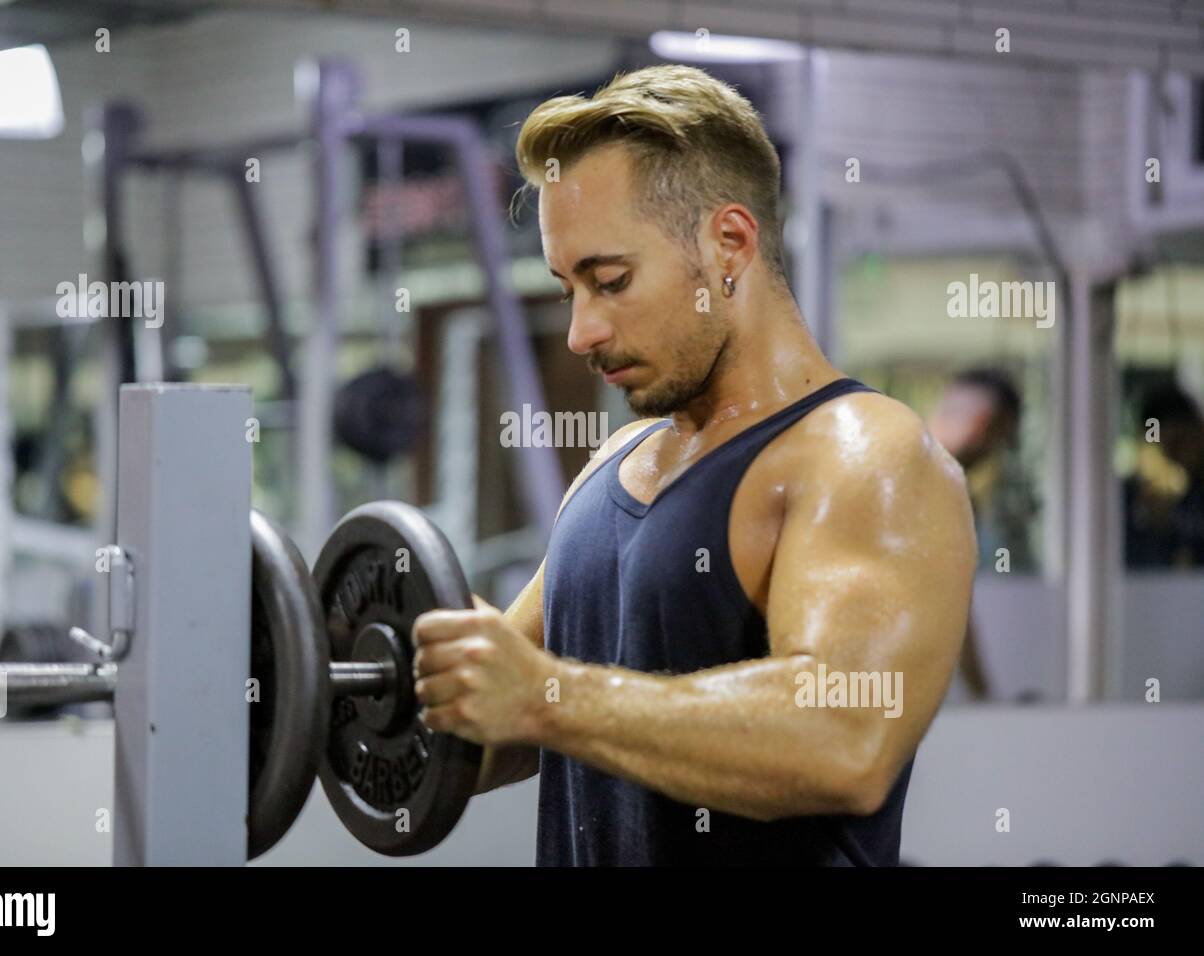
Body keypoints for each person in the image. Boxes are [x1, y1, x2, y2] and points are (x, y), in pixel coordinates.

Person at [410, 65, 976, 865]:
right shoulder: (617, 463)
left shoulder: (864, 455)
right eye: (569, 287)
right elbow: (488, 726)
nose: (581, 332)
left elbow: (844, 739)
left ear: (730, 244)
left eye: (611, 281)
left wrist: (546, 696)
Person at [928, 368, 1038, 700]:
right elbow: (953, 614)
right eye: (1004, 440)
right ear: (983, 424)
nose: (1000, 456)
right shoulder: (942, 489)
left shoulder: (890, 463)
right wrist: (985, 698)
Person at [1124, 382, 1204, 569]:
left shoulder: (1195, 493)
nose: (1174, 456)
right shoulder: (1136, 497)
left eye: (1179, 443)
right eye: (1165, 448)